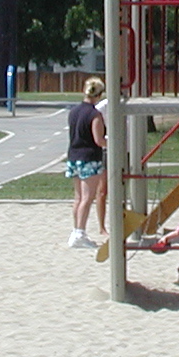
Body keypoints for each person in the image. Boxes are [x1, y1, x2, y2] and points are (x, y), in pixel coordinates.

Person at [65, 77, 109, 250]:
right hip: (89, 157)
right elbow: (98, 139)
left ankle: (76, 230)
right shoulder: (94, 114)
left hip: (73, 155)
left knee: (78, 197)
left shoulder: (73, 111)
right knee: (87, 197)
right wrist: (111, 142)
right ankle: (80, 233)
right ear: (99, 95)